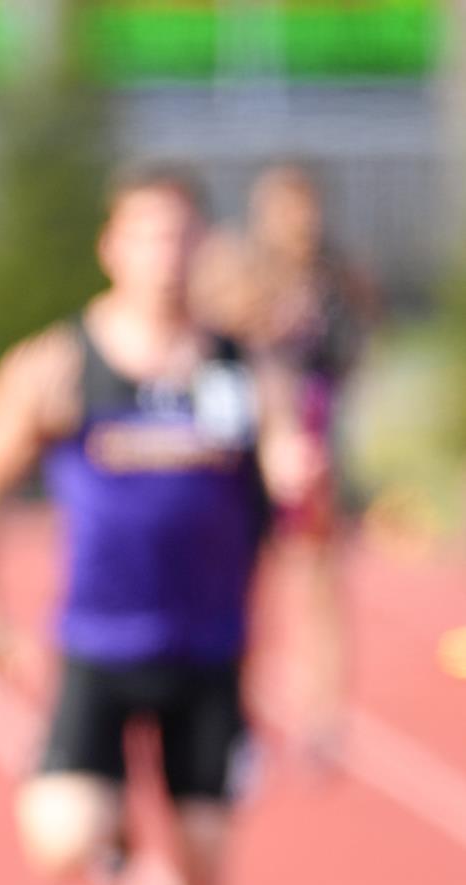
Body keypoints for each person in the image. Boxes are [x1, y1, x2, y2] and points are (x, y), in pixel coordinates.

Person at [0, 163, 339, 885]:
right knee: (59, 841)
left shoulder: (246, 375)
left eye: (180, 236)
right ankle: (110, 824)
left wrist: (298, 472)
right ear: (113, 248)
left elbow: (304, 502)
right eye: (146, 236)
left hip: (210, 659)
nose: (165, 255)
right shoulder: (62, 365)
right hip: (99, 651)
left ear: (203, 248)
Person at [196, 161, 375, 757]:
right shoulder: (235, 267)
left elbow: (360, 343)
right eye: (282, 208)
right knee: (237, 579)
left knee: (319, 576)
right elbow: (204, 328)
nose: (297, 221)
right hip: (243, 440)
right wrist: (257, 314)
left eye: (305, 208)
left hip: (313, 437)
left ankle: (323, 712)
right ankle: (232, 706)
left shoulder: (338, 279)